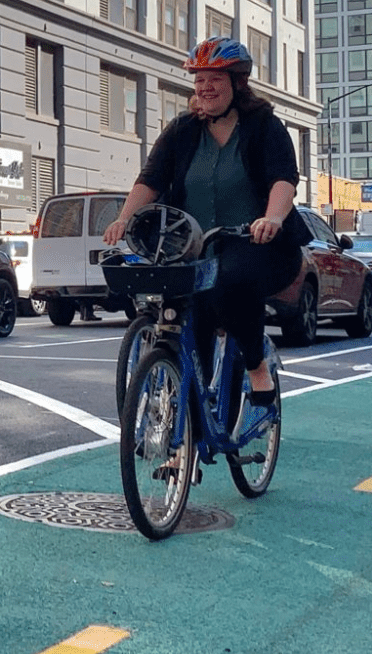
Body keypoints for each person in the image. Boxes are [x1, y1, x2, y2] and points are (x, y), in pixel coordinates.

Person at [101, 37, 309, 431]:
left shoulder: (264, 126)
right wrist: (125, 219)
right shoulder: (182, 130)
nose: (205, 88)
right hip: (196, 247)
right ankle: (189, 440)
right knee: (188, 313)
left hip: (262, 246)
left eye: (214, 79)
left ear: (237, 83)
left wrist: (273, 219)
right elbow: (151, 179)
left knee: (228, 283)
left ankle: (258, 370)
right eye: (199, 81)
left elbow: (283, 179)